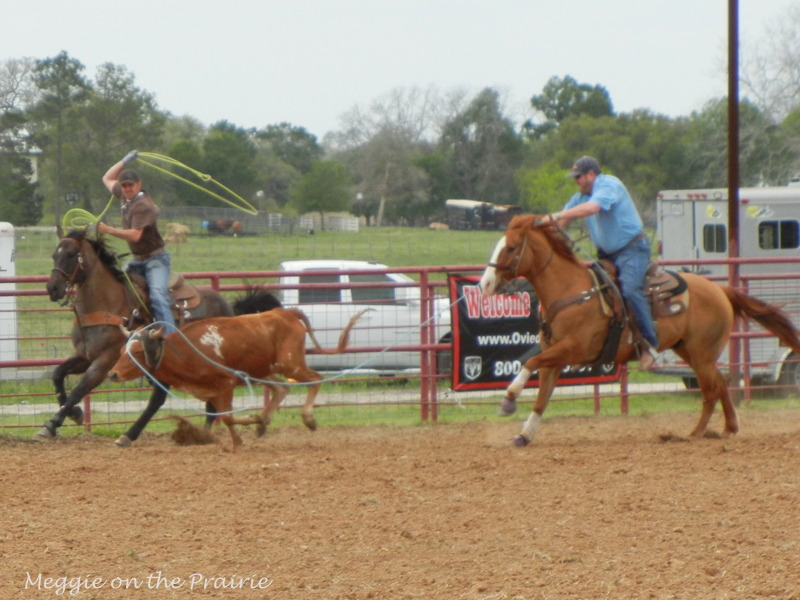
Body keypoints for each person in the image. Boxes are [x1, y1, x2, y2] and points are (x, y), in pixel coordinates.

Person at [545, 156, 659, 370]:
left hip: (632, 250)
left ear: (591, 175)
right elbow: (562, 222)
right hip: (608, 255)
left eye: (578, 177)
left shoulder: (608, 185)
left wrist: (557, 215)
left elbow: (592, 208)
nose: (575, 181)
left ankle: (650, 343)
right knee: (592, 292)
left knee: (630, 289)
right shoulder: (581, 196)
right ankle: (588, 346)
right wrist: (550, 233)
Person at [98, 150, 177, 333]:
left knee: (158, 295)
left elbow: (135, 235)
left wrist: (109, 230)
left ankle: (171, 336)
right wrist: (124, 160)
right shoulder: (125, 196)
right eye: (124, 185)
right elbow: (107, 178)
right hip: (138, 259)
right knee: (115, 284)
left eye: (131, 185)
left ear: (139, 185)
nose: (127, 188)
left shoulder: (144, 206)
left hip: (156, 260)